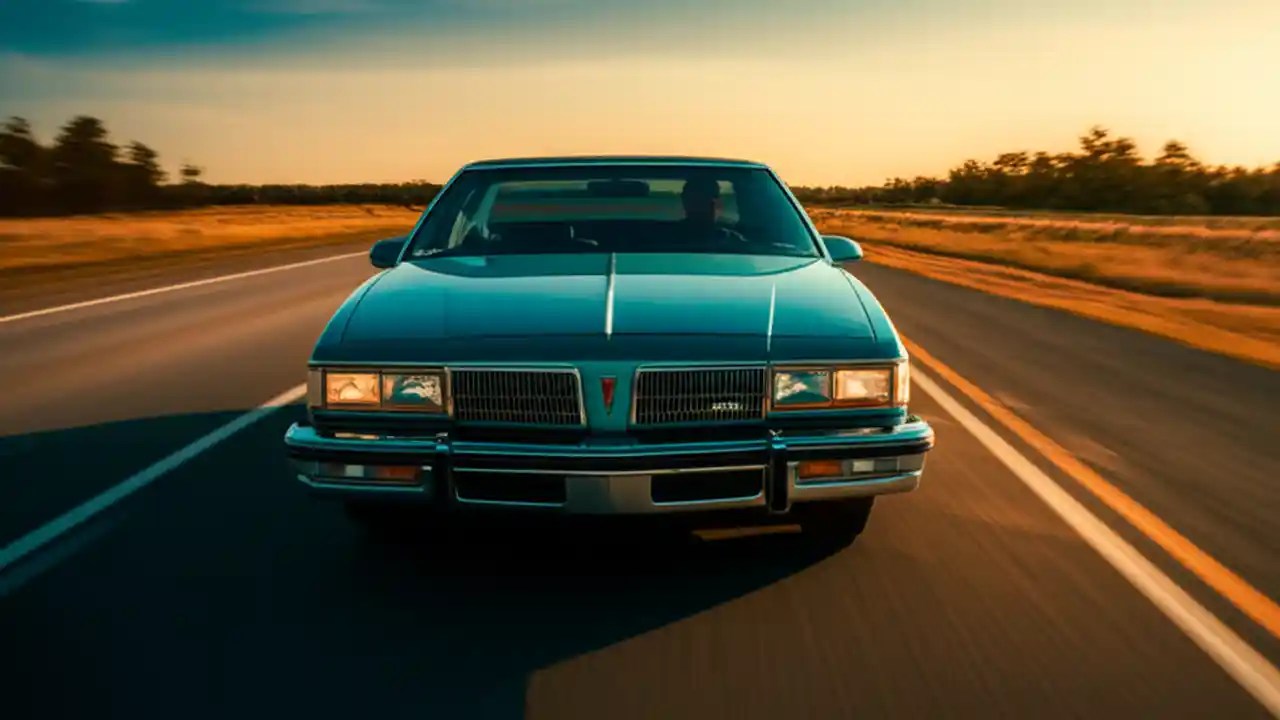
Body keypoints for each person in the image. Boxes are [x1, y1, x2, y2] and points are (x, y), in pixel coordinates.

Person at [676, 177, 747, 247]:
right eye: (694, 199)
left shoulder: (733, 239)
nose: (698, 204)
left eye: (703, 198)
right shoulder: (670, 236)